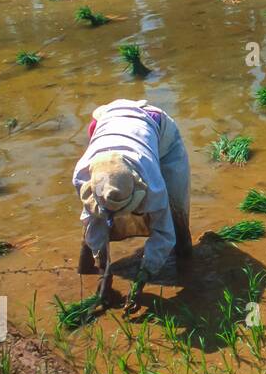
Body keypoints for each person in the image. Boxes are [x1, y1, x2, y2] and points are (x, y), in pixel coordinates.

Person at [73, 99, 192, 288]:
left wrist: (144, 274)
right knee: (96, 215)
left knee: (176, 208)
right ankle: (90, 266)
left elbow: (164, 230)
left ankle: (186, 264)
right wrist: (105, 273)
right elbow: (92, 220)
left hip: (156, 124)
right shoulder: (83, 173)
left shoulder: (151, 182)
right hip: (104, 122)